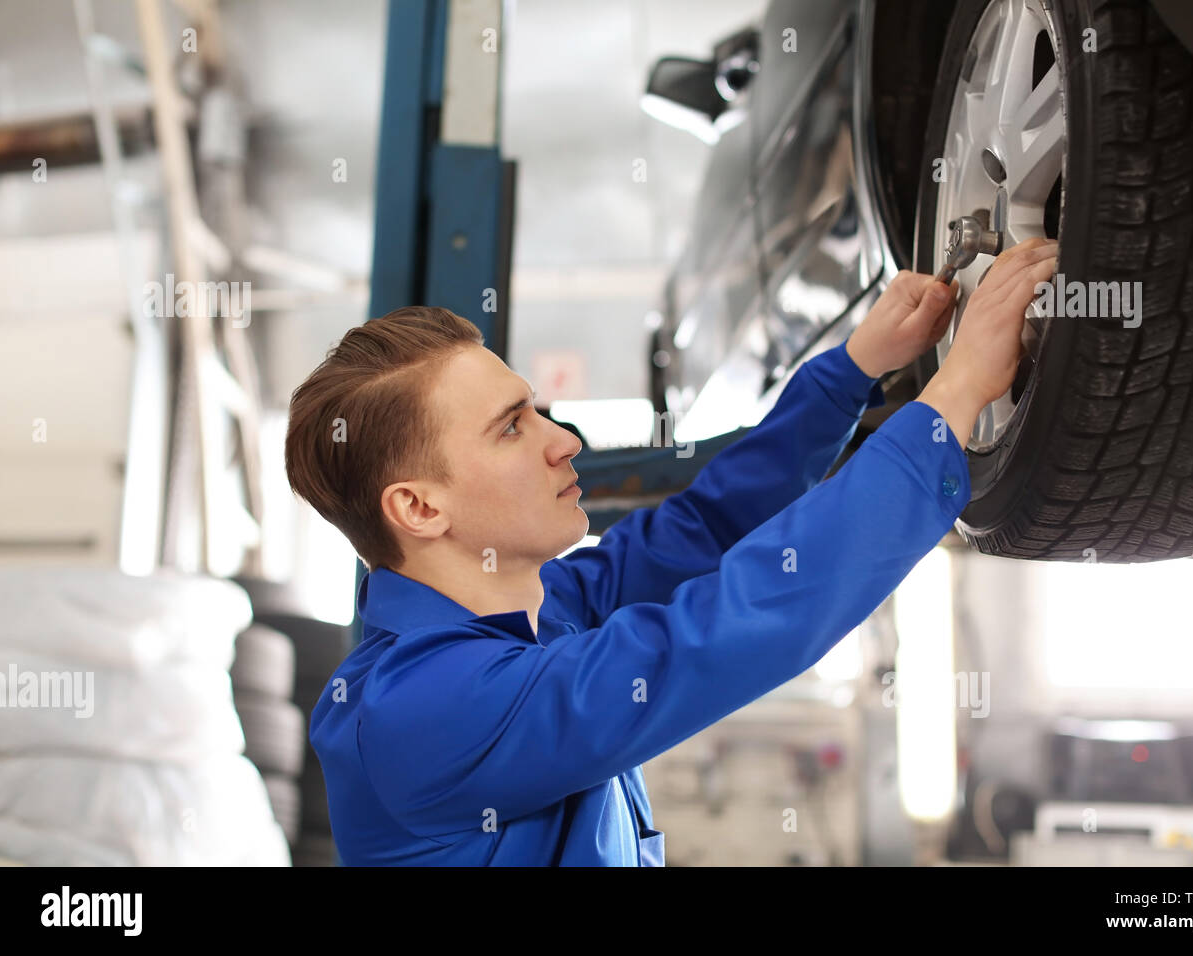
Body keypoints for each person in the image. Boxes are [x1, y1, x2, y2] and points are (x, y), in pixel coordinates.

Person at [285, 237, 1059, 865]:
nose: (566, 442)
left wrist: (853, 369)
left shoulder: (535, 613)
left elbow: (703, 529)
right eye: (513, 427)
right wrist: (952, 397)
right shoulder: (415, 712)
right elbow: (721, 632)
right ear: (420, 508)